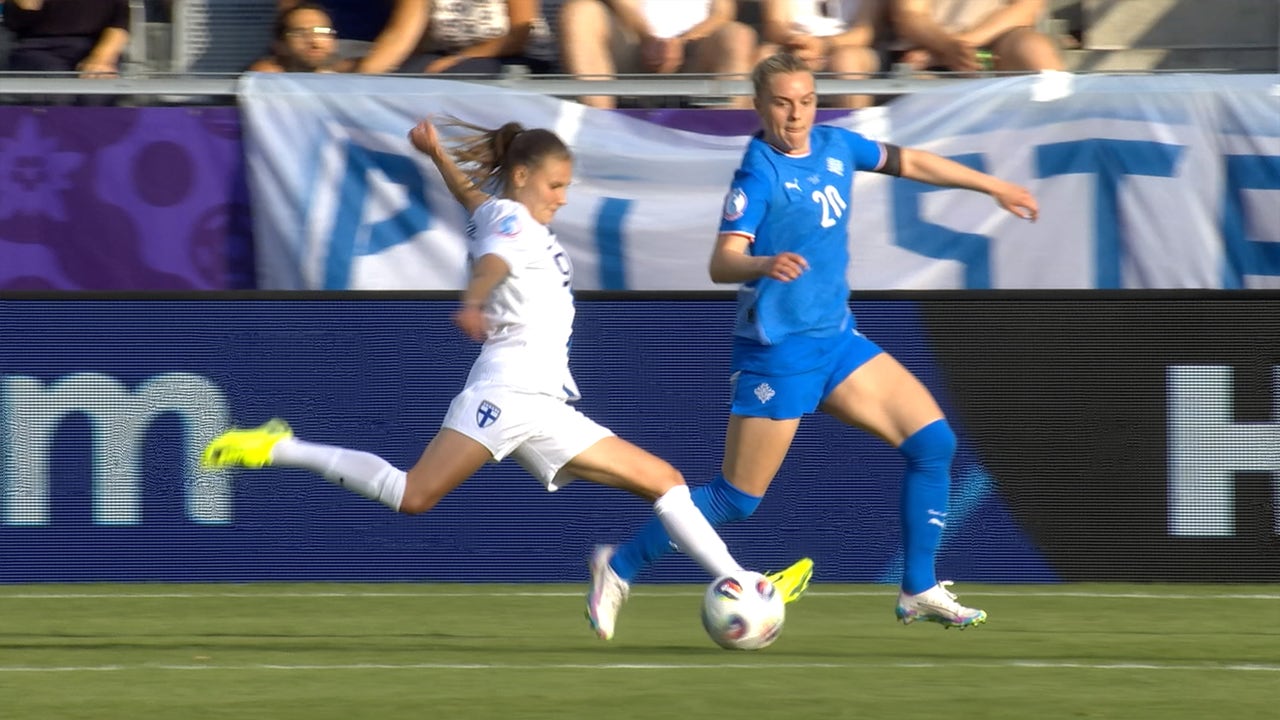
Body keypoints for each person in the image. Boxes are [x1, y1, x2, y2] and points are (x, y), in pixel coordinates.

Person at [201, 115, 800, 642]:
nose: (563, 198)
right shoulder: (513, 224)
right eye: (556, 186)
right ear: (522, 178)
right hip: (506, 391)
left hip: (545, 403)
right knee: (414, 495)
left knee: (664, 481)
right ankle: (282, 446)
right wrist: (475, 298)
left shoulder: (503, 212)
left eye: (566, 186)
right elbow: (494, 261)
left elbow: (474, 203)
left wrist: (437, 154)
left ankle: (732, 578)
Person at [588, 51, 1039, 636]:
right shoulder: (759, 172)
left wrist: (993, 185)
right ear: (758, 105)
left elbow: (911, 162)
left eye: (805, 101)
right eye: (782, 102)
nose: (796, 114)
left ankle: (918, 586)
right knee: (735, 499)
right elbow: (721, 261)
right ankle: (617, 567)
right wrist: (764, 261)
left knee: (934, 445)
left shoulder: (836, 145)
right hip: (779, 352)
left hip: (837, 343)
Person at [559, 0, 758, 109]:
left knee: (738, 36)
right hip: (631, 43)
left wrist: (682, 42)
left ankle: (721, 139)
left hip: (695, 52)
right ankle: (600, 127)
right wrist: (647, 38)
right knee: (579, 12)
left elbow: (722, 12)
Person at [757, 0, 884, 108]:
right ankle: (746, 132)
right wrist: (798, 43)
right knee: (765, 56)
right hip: (794, 44)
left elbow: (865, 32)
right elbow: (774, 25)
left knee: (846, 61)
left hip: (848, 46)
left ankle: (853, 131)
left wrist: (824, 45)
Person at [888, 0, 1063, 73]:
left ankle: (1064, 133)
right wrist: (947, 48)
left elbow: (1026, 9)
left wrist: (958, 48)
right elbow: (908, 15)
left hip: (994, 45)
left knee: (1033, 50)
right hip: (925, 49)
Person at [2, 0, 129, 78]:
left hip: (95, 45)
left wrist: (102, 58)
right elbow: (27, 11)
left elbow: (119, 22)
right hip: (36, 46)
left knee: (97, 92)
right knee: (54, 88)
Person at [250, 2, 352, 73]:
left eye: (322, 32)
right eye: (301, 33)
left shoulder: (342, 78)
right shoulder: (267, 77)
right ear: (280, 45)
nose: (314, 42)